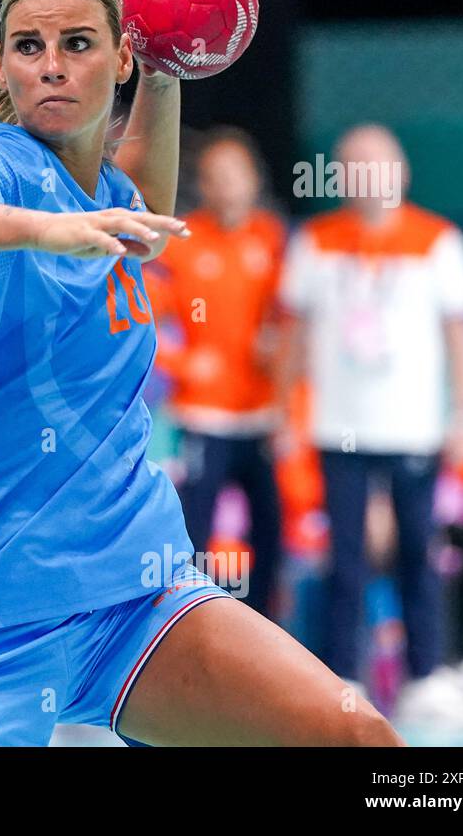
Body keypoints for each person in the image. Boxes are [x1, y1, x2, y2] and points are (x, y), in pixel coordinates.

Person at [0, 0, 400, 746]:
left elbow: (140, 195)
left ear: (118, 58)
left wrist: (167, 64)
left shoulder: (110, 194)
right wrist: (46, 231)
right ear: (3, 62)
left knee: (357, 738)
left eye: (78, 44)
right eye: (28, 46)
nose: (51, 66)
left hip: (133, 596)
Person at [278, 123, 463, 727]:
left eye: (379, 164)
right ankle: (341, 674)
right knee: (342, 558)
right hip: (337, 426)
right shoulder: (315, 241)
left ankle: (427, 674)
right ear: (339, 176)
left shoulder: (438, 240)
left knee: (420, 552)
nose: (368, 177)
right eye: (354, 165)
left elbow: (462, 338)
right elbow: (294, 334)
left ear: (401, 173)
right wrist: (281, 409)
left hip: (416, 428)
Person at [144, 128, 287, 620]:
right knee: (194, 530)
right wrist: (185, 364)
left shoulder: (274, 240)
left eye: (235, 175)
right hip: (203, 416)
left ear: (253, 179)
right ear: (202, 183)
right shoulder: (180, 242)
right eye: (215, 177)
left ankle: (266, 629)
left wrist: (280, 349)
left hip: (262, 415)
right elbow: (143, 322)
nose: (226, 186)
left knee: (271, 529)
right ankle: (192, 626)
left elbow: (297, 317)